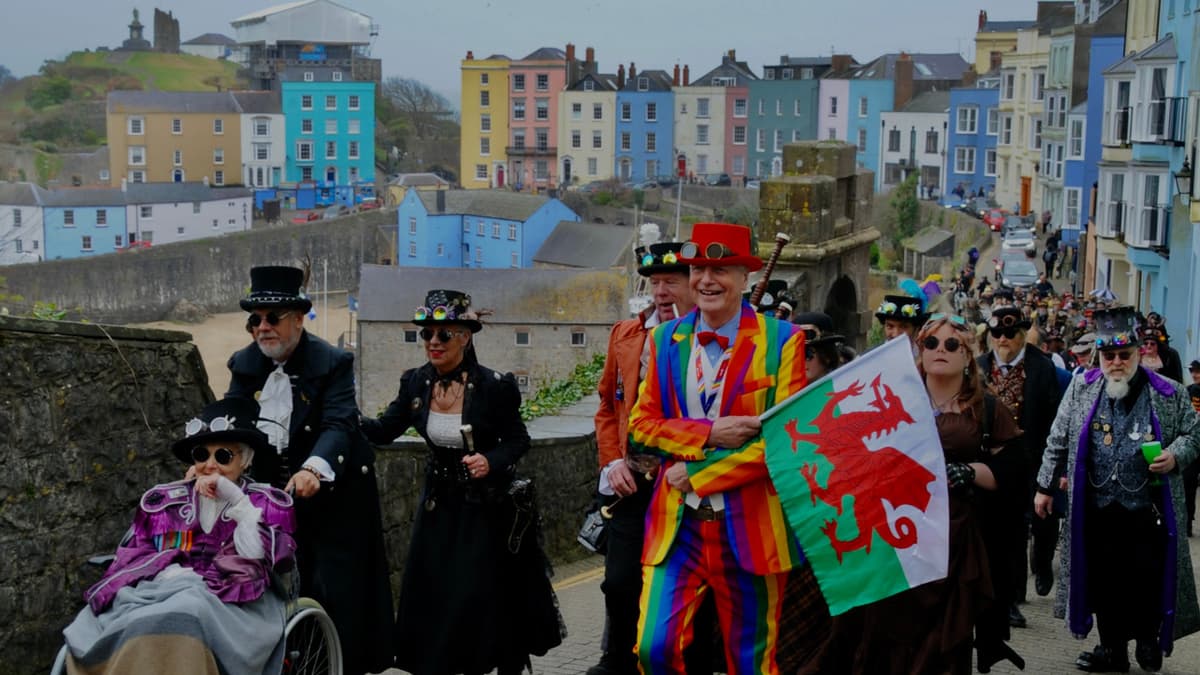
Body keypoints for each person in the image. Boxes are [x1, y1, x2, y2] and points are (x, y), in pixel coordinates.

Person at [628, 222, 809, 673]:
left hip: (749, 527)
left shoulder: (785, 341)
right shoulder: (663, 341)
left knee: (751, 664)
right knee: (655, 649)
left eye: (721, 269)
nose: (706, 280)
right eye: (699, 269)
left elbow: (783, 442)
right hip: (679, 528)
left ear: (745, 277)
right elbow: (641, 426)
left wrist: (697, 473)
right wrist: (708, 435)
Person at [801, 314, 1026, 675]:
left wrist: (968, 471)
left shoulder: (987, 408)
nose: (940, 350)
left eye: (952, 344)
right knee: (882, 628)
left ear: (968, 355)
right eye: (931, 343)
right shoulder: (890, 397)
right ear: (919, 350)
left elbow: (1013, 471)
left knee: (939, 638)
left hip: (952, 539)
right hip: (889, 533)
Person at [361, 289, 564, 675]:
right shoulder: (415, 383)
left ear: (465, 337)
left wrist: (490, 460)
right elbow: (385, 430)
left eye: (443, 335)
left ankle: (489, 662)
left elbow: (519, 440)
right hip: (438, 505)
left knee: (477, 593)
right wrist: (344, 418)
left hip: (485, 505)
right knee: (434, 592)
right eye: (426, 335)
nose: (433, 343)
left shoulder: (494, 386)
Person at [226, 265, 393, 675]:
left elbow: (339, 423)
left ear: (299, 319)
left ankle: (342, 665)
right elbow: (231, 424)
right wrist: (215, 463)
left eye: (273, 318)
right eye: (255, 320)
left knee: (335, 588)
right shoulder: (244, 364)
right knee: (266, 584)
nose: (262, 328)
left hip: (337, 493)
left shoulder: (332, 361)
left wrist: (313, 470)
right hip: (273, 498)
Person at [63, 398, 297, 675]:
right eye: (201, 455)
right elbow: (137, 550)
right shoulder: (164, 501)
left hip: (237, 603)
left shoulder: (266, 502)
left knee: (185, 611)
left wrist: (237, 501)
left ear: (246, 461)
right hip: (163, 588)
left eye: (222, 456)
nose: (210, 465)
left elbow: (262, 560)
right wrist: (170, 575)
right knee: (110, 616)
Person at [1034, 306, 1200, 672]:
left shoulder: (1169, 392)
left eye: (1125, 355)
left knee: (1145, 582)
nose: (1117, 362)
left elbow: (1194, 433)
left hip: (1148, 510)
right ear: (1100, 356)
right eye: (1109, 355)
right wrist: (1045, 486)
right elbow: (1058, 439)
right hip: (1096, 508)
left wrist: (1174, 456)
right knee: (1104, 583)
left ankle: (1147, 642)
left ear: (1139, 352)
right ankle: (1112, 650)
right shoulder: (1082, 387)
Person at [587, 243, 709, 675]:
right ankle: (616, 658)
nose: (661, 291)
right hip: (633, 481)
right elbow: (606, 406)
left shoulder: (708, 337)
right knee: (619, 581)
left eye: (671, 281)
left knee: (689, 583)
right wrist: (611, 462)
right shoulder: (625, 333)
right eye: (654, 282)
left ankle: (684, 661)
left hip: (686, 480)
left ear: (692, 284)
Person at [977, 306, 1063, 624]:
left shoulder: (1041, 368)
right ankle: (1010, 598)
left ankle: (1041, 564)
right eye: (996, 333)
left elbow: (1054, 419)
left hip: (1033, 461)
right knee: (1004, 532)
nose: (1002, 339)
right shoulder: (978, 367)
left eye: (1010, 333)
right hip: (991, 465)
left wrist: (1056, 467)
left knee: (1039, 524)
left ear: (1022, 334)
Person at [875, 293, 929, 357]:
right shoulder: (872, 358)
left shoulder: (927, 359)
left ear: (917, 329)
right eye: (890, 326)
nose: (896, 334)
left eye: (903, 327)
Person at [1187, 360, 1200, 536]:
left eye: (1198, 371)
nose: (1195, 374)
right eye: (1193, 372)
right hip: (1193, 443)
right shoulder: (1188, 391)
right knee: (1187, 483)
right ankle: (1187, 522)